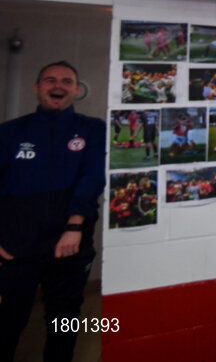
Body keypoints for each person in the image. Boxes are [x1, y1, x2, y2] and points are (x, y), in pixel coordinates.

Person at [0, 61, 106, 362]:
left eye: (66, 81)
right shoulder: (9, 133)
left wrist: (73, 227)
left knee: (64, 324)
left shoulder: (92, 129)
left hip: (69, 248)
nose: (57, 86)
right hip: (15, 250)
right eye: (49, 80)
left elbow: (91, 179)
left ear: (76, 90)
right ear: (37, 88)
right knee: (8, 323)